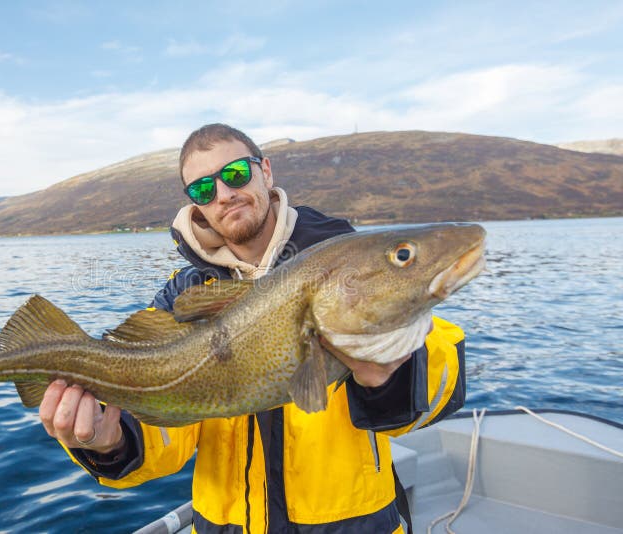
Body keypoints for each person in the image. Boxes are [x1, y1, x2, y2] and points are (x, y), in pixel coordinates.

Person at [39, 124, 466, 533]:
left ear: (265, 170)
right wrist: (107, 442)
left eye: (235, 173)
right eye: (204, 188)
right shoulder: (182, 295)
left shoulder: (345, 260)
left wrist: (394, 373)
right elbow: (165, 430)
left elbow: (442, 379)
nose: (224, 194)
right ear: (195, 203)